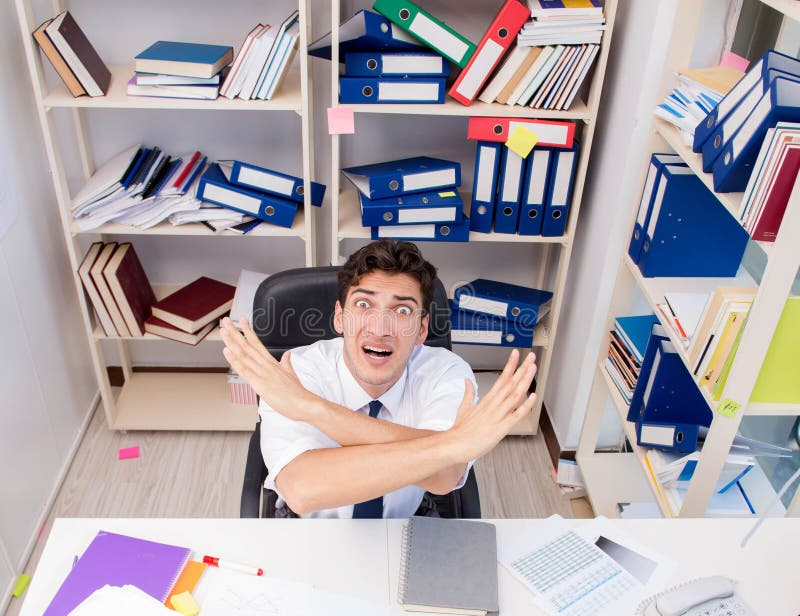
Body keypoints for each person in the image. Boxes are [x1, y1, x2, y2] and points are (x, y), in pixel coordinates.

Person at [220, 239, 537, 518]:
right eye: (363, 304)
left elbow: (443, 479)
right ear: (340, 317)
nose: (380, 327)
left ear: (422, 329)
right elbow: (302, 492)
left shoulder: (447, 373)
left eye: (402, 311)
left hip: (408, 520)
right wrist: (449, 445)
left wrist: (312, 409)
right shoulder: (296, 372)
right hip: (310, 529)